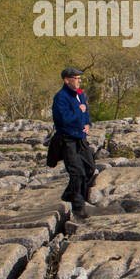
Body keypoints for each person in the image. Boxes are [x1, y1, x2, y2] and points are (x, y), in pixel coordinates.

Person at [51, 67, 96, 219]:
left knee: (90, 168)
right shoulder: (61, 97)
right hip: (67, 140)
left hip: (80, 138)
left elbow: (85, 114)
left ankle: (70, 193)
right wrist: (79, 110)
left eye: (79, 78)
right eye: (76, 78)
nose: (79, 81)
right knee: (77, 173)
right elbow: (64, 119)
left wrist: (87, 124)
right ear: (66, 80)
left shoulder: (80, 94)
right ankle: (78, 207)